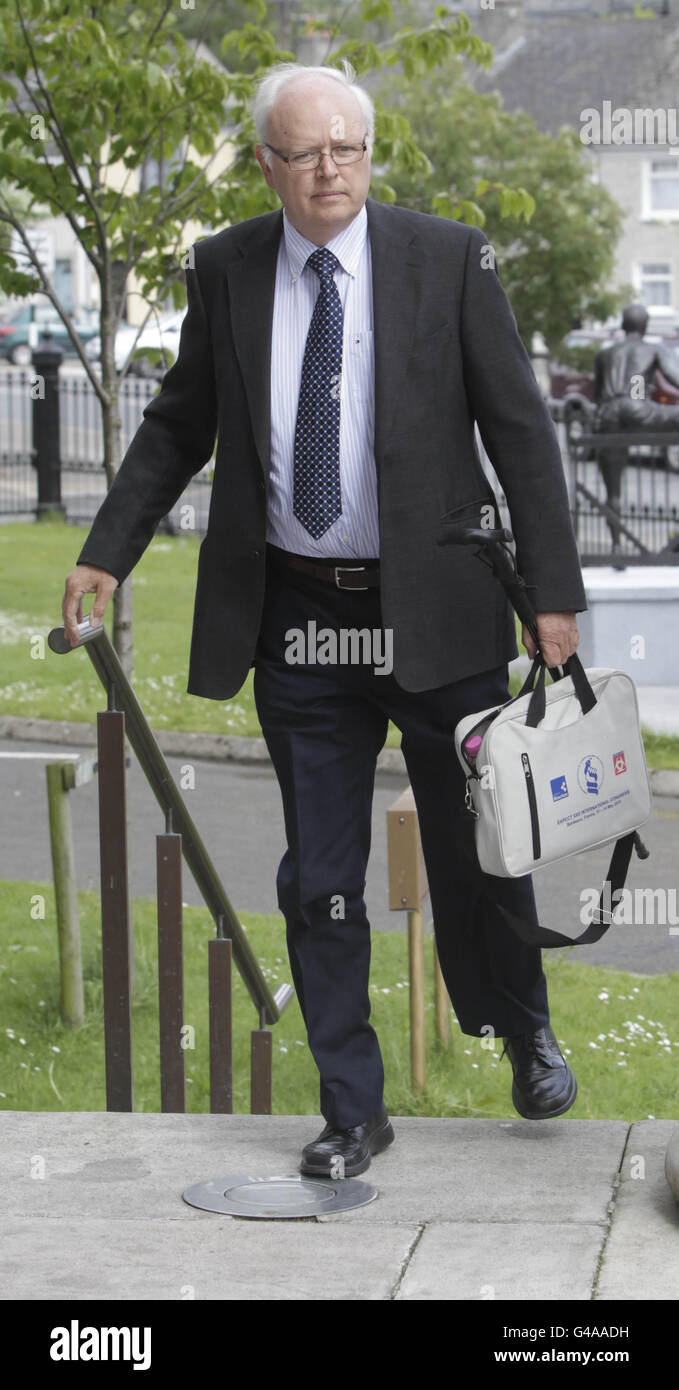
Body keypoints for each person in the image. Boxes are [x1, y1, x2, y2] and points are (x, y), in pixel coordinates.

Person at [62, 60, 588, 1178]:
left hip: (437, 616)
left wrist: (552, 592)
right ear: (268, 164)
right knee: (323, 873)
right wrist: (107, 552)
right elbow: (175, 426)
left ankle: (520, 1023)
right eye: (303, 152)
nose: (327, 169)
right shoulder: (227, 269)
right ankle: (354, 1106)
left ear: (367, 151)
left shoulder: (445, 259)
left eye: (345, 147)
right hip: (302, 623)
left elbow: (520, 430)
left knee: (480, 841)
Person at [593, 304, 679, 550]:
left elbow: (598, 395)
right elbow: (675, 377)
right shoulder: (653, 349)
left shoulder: (605, 354)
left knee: (613, 490)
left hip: (609, 412)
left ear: (622, 325)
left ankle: (617, 546)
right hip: (637, 406)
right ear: (646, 326)